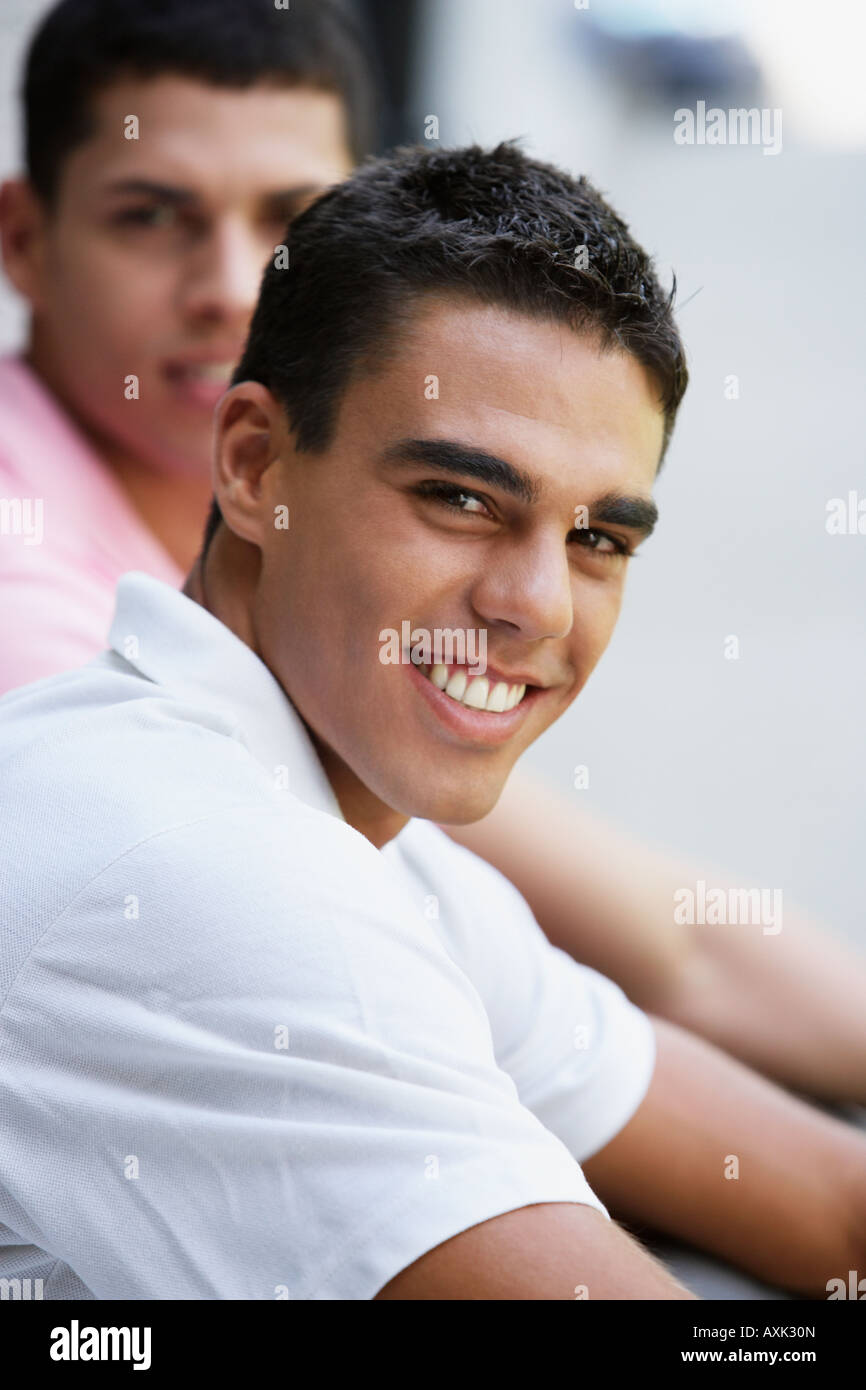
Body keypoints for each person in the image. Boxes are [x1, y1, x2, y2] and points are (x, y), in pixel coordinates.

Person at [1, 0, 863, 1170]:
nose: (232, 285)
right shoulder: (55, 640)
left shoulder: (299, 585)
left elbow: (666, 941)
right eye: (153, 218)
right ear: (25, 240)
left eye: (287, 223)